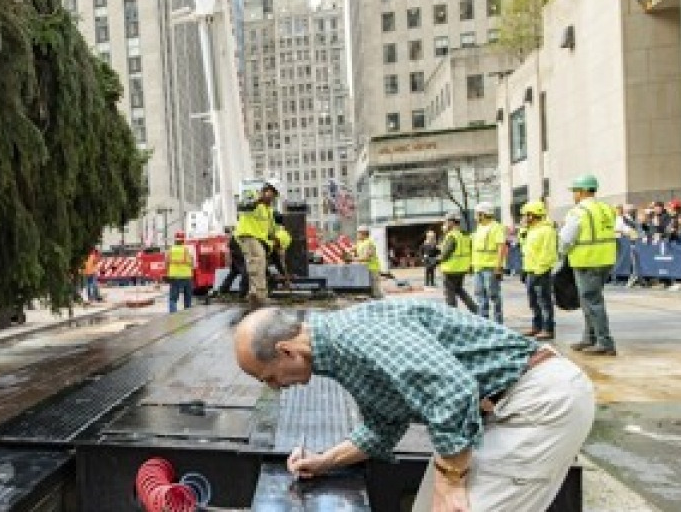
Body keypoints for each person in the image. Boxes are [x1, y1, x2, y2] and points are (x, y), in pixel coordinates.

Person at [233, 304, 594, 512]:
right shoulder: (338, 353)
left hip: (535, 403)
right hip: (496, 409)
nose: (276, 388)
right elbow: (382, 427)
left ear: (286, 351)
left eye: (269, 378)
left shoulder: (356, 336)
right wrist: (325, 461)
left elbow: (451, 390)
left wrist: (451, 481)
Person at [560, 174, 618, 355]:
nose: (574, 195)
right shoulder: (607, 209)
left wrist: (562, 253)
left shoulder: (578, 212)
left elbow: (566, 238)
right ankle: (589, 337)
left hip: (586, 260)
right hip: (605, 259)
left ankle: (604, 341)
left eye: (575, 191)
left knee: (592, 301)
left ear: (583, 191)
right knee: (590, 300)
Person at [234, 182, 279, 307]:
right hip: (248, 235)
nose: (271, 197)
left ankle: (259, 295)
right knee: (257, 261)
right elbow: (242, 206)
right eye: (270, 193)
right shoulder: (252, 196)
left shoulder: (268, 210)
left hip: (258, 239)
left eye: (273, 195)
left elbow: (271, 230)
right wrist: (257, 200)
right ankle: (257, 295)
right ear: (264, 190)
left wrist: (276, 239)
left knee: (260, 264)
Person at [520, 201, 558, 340]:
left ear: (532, 215)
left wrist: (540, 270)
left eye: (525, 215)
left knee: (544, 301)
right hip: (530, 270)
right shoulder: (531, 230)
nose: (523, 218)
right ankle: (537, 326)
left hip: (541, 271)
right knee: (533, 301)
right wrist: (523, 231)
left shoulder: (547, 230)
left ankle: (548, 329)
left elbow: (548, 253)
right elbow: (526, 249)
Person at [470, 202, 507, 324]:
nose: (475, 216)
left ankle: (498, 322)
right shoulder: (479, 227)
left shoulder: (496, 227)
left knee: (494, 296)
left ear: (483, 214)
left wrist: (498, 267)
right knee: (480, 296)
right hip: (478, 267)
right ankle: (483, 322)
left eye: (477, 214)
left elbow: (501, 247)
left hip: (490, 268)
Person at [438, 213, 478, 313]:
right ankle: (475, 309)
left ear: (451, 222)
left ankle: (453, 314)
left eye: (446, 222)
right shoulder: (465, 234)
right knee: (459, 290)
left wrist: (433, 261)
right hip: (462, 268)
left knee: (450, 294)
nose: (445, 224)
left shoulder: (452, 236)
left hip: (450, 269)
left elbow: (445, 254)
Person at [165, 231, 195, 313]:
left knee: (173, 299)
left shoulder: (170, 250)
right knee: (188, 299)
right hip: (187, 277)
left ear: (175, 240)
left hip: (174, 277)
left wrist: (167, 273)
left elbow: (166, 263)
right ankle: (187, 315)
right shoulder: (188, 249)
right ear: (184, 240)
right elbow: (193, 264)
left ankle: (173, 317)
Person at [351, 225, 383, 298]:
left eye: (358, 233)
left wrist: (353, 259)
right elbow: (352, 250)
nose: (357, 235)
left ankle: (379, 301)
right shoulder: (359, 243)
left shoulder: (369, 243)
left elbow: (367, 258)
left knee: (375, 289)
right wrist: (349, 253)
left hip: (372, 269)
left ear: (364, 233)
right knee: (367, 289)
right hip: (364, 269)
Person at [216, 226, 247, 298]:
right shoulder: (236, 237)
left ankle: (222, 290)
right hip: (239, 260)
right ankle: (242, 293)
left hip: (236, 260)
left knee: (232, 275)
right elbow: (236, 250)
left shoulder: (233, 238)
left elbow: (231, 250)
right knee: (244, 275)